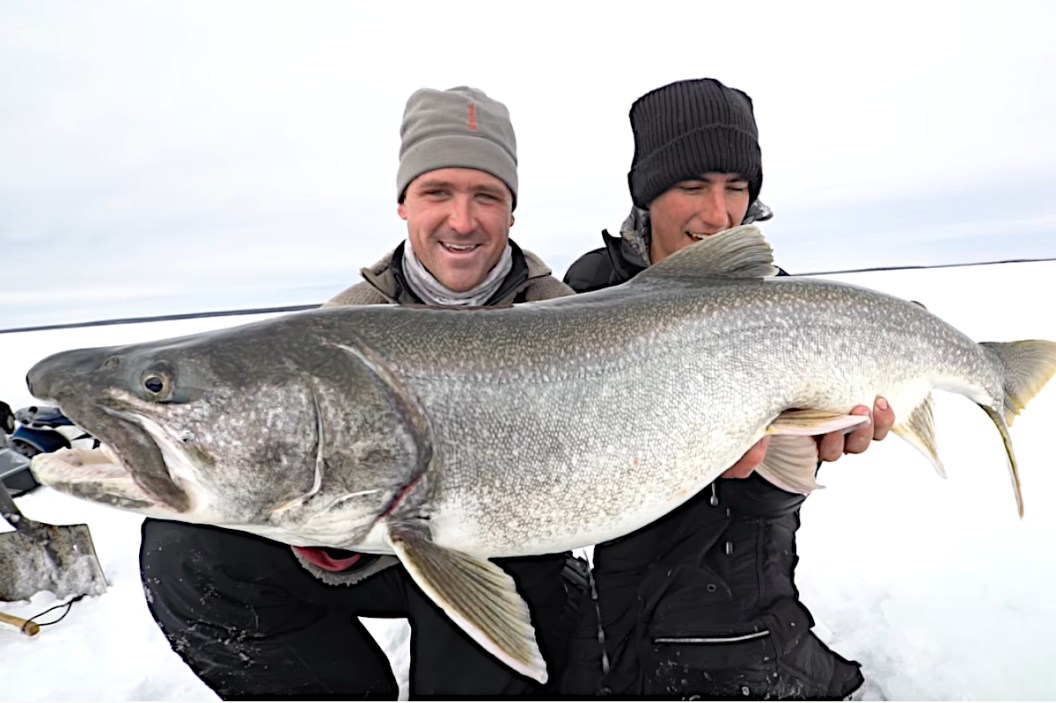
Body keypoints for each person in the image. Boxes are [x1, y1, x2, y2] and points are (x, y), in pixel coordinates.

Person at [140, 86, 584, 699]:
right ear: (404, 204)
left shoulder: (565, 321)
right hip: (377, 557)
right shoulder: (342, 325)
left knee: (480, 554)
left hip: (509, 550)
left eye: (486, 196)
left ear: (511, 211)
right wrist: (324, 541)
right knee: (186, 548)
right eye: (437, 193)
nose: (462, 220)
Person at [559, 78, 895, 700]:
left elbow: (780, 498)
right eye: (692, 186)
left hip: (740, 613)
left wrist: (785, 462)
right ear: (647, 193)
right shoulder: (587, 290)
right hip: (615, 614)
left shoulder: (781, 311)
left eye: (736, 188)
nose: (718, 215)